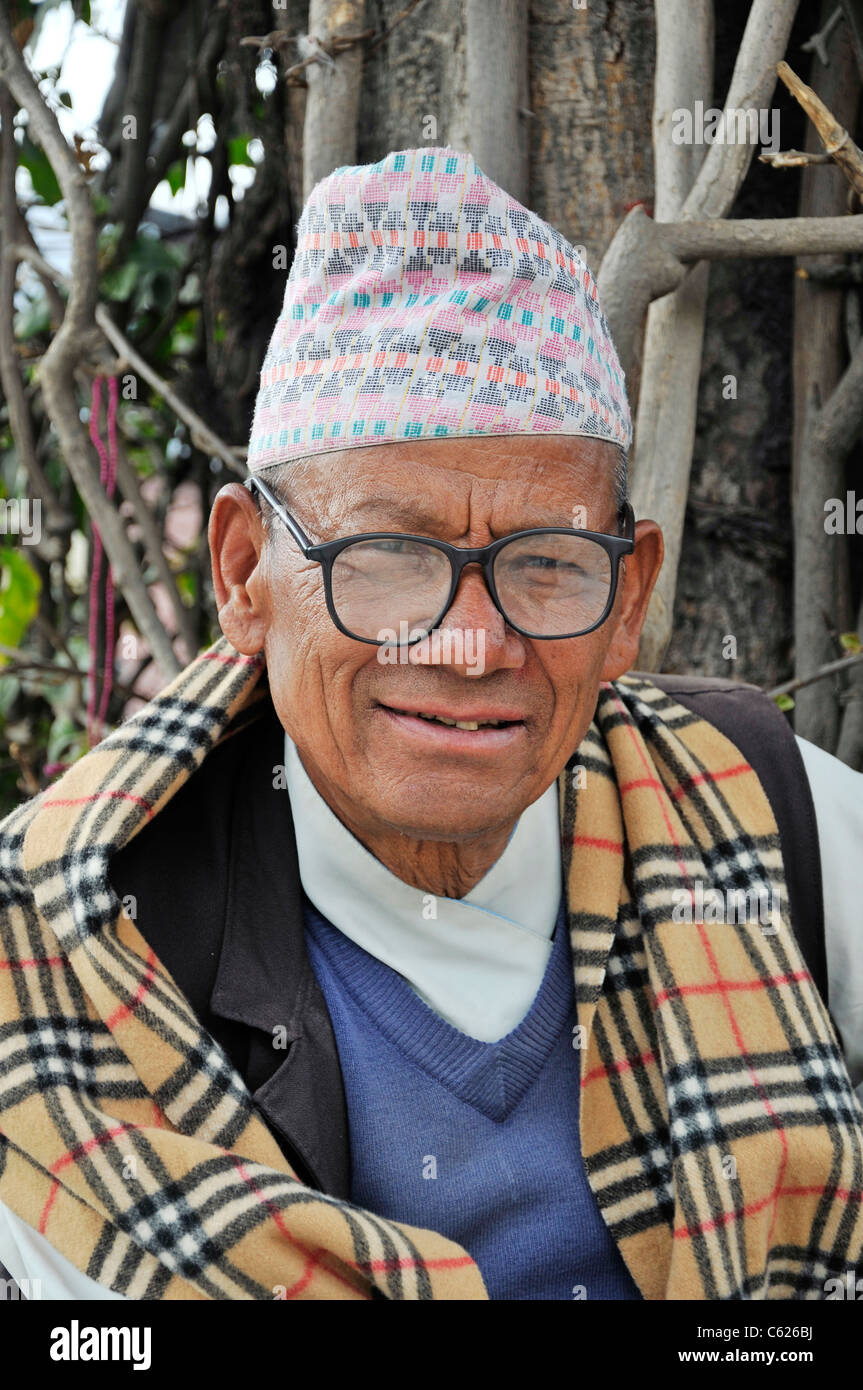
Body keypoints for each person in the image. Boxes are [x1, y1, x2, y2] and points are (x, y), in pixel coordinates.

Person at [0, 147, 861, 1302]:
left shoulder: (766, 809)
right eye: (390, 558)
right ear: (245, 571)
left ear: (628, 599)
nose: (468, 643)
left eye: (546, 565)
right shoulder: (66, 944)